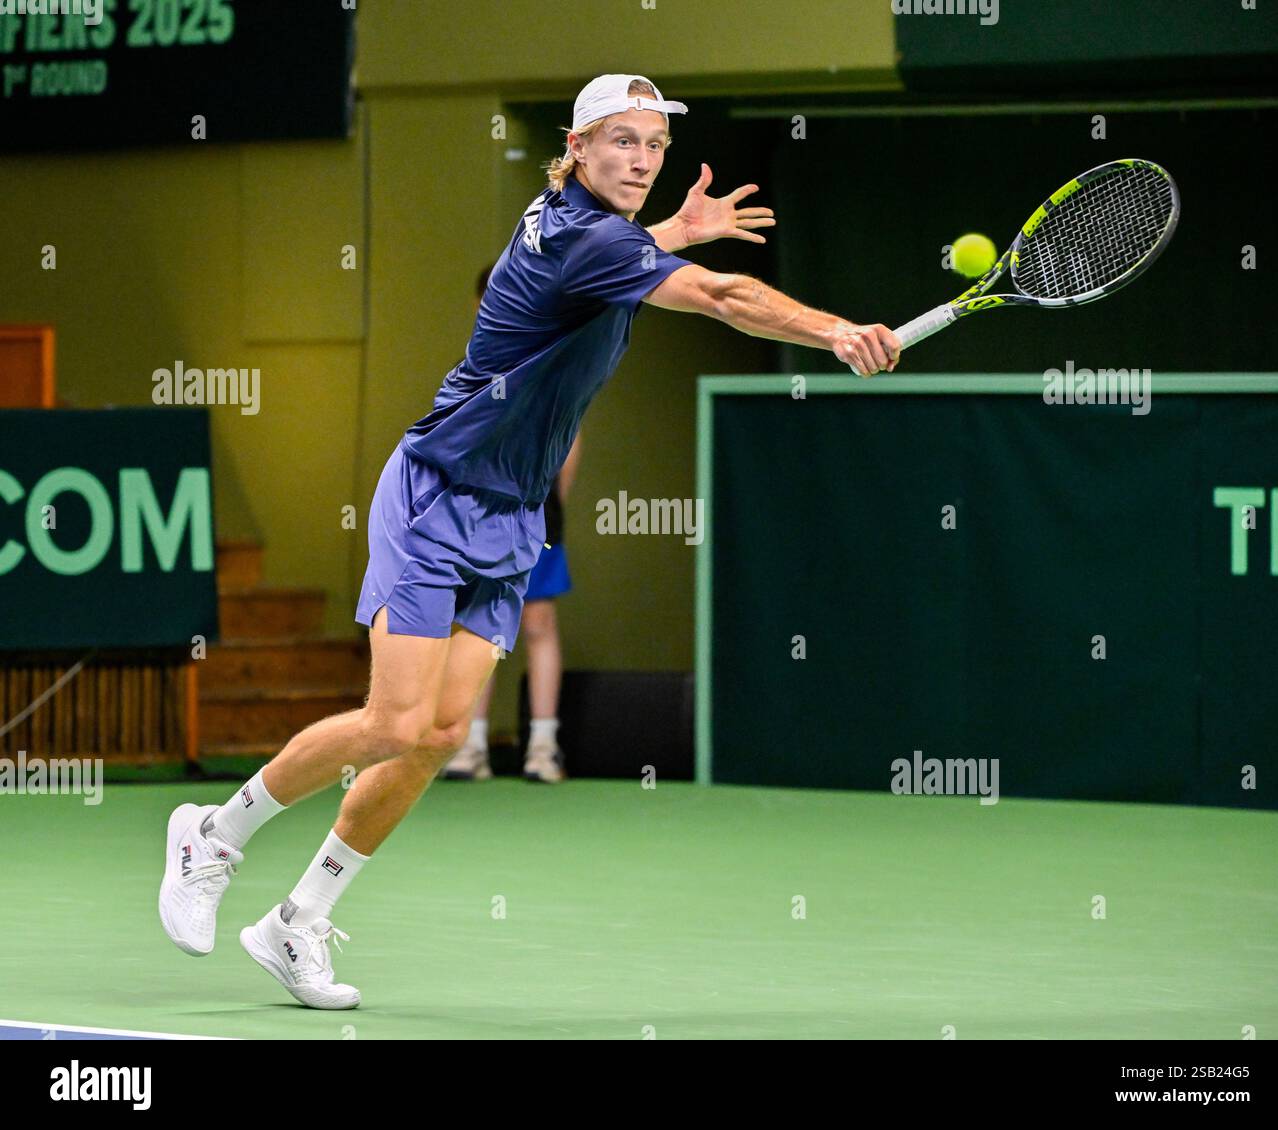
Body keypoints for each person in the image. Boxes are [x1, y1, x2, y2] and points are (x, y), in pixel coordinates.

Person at [157, 72, 901, 1010]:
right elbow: (721, 297)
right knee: (391, 721)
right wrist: (835, 330)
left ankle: (296, 922)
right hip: (439, 491)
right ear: (578, 147)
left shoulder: (588, 230)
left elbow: (637, 262)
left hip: (511, 517)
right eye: (622, 141)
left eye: (655, 145)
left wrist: (671, 230)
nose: (642, 159)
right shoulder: (589, 239)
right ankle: (211, 835)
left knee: (435, 736)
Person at [440, 268, 580, 784]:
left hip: (536, 513)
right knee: (477, 624)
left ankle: (543, 748)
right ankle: (469, 748)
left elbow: (568, 439)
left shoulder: (552, 360)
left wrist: (545, 506)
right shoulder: (474, 367)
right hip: (479, 515)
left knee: (538, 625)